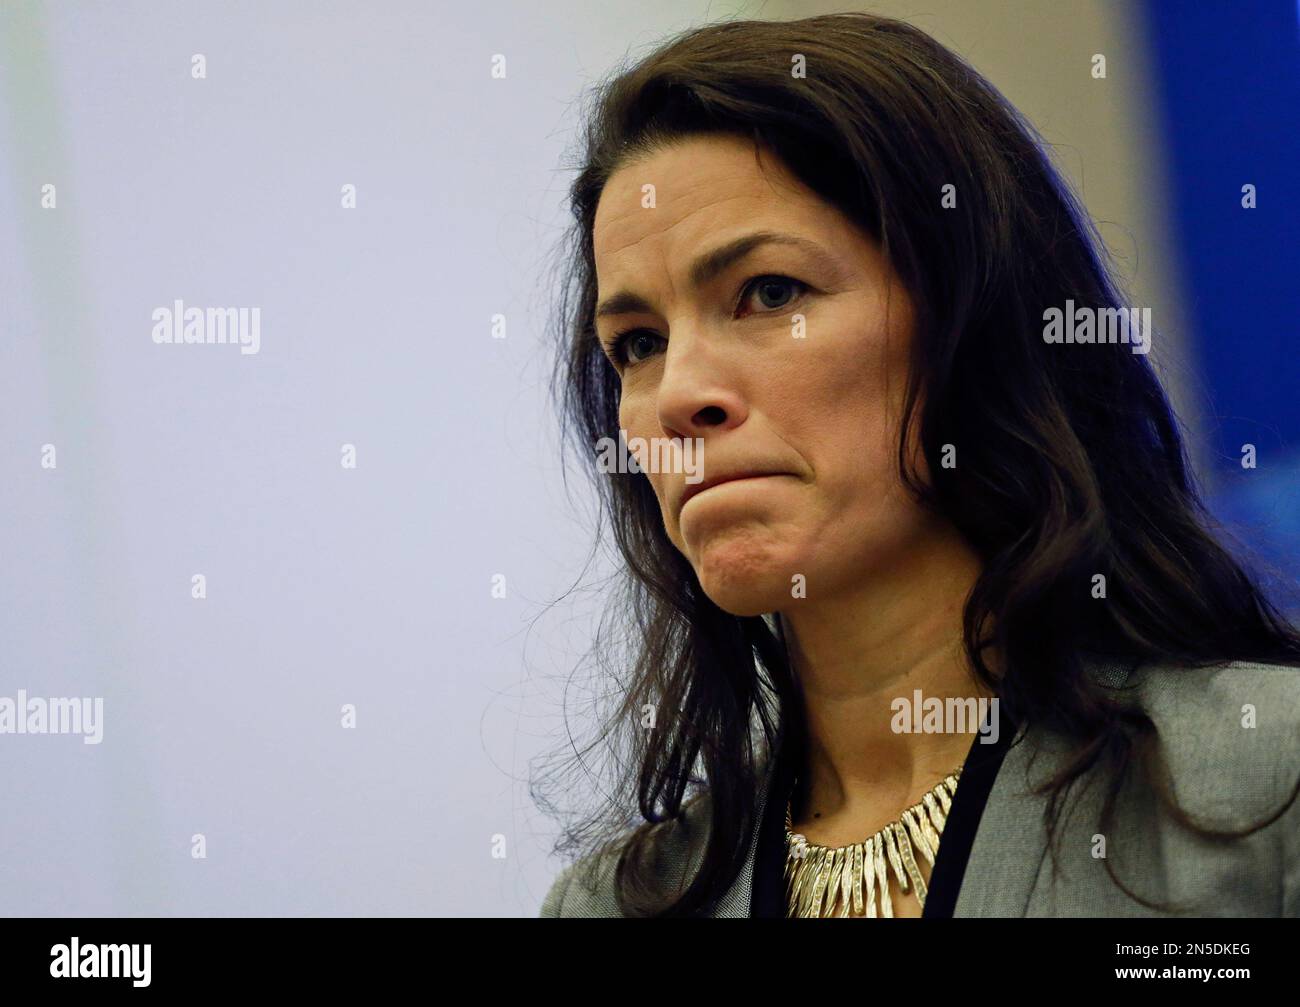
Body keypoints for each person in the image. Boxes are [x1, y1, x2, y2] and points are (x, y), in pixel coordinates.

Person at [536, 12, 1300, 918]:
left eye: (769, 292)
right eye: (636, 344)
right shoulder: (614, 906)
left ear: (972, 321)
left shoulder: (1266, 789)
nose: (676, 396)